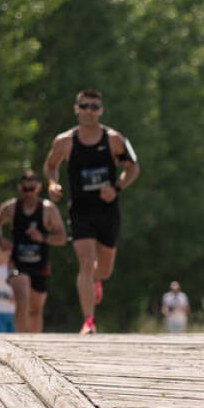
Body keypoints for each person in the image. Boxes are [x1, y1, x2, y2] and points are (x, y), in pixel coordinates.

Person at [44, 88, 141, 334]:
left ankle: (96, 282)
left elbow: (133, 168)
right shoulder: (64, 141)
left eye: (94, 107)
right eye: (84, 106)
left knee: (104, 270)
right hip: (80, 210)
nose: (89, 112)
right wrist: (53, 184)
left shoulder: (113, 139)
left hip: (107, 210)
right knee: (86, 263)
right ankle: (88, 321)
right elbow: (51, 167)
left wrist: (117, 187)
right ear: (76, 109)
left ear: (101, 110)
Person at [0, 170, 66, 333]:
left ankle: (35, 345)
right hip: (18, 263)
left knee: (35, 310)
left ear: (38, 188)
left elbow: (61, 237)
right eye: (25, 189)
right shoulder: (11, 207)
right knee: (22, 303)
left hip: (40, 265)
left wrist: (43, 237)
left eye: (32, 189)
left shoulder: (48, 209)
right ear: (19, 188)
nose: (29, 193)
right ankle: (21, 341)